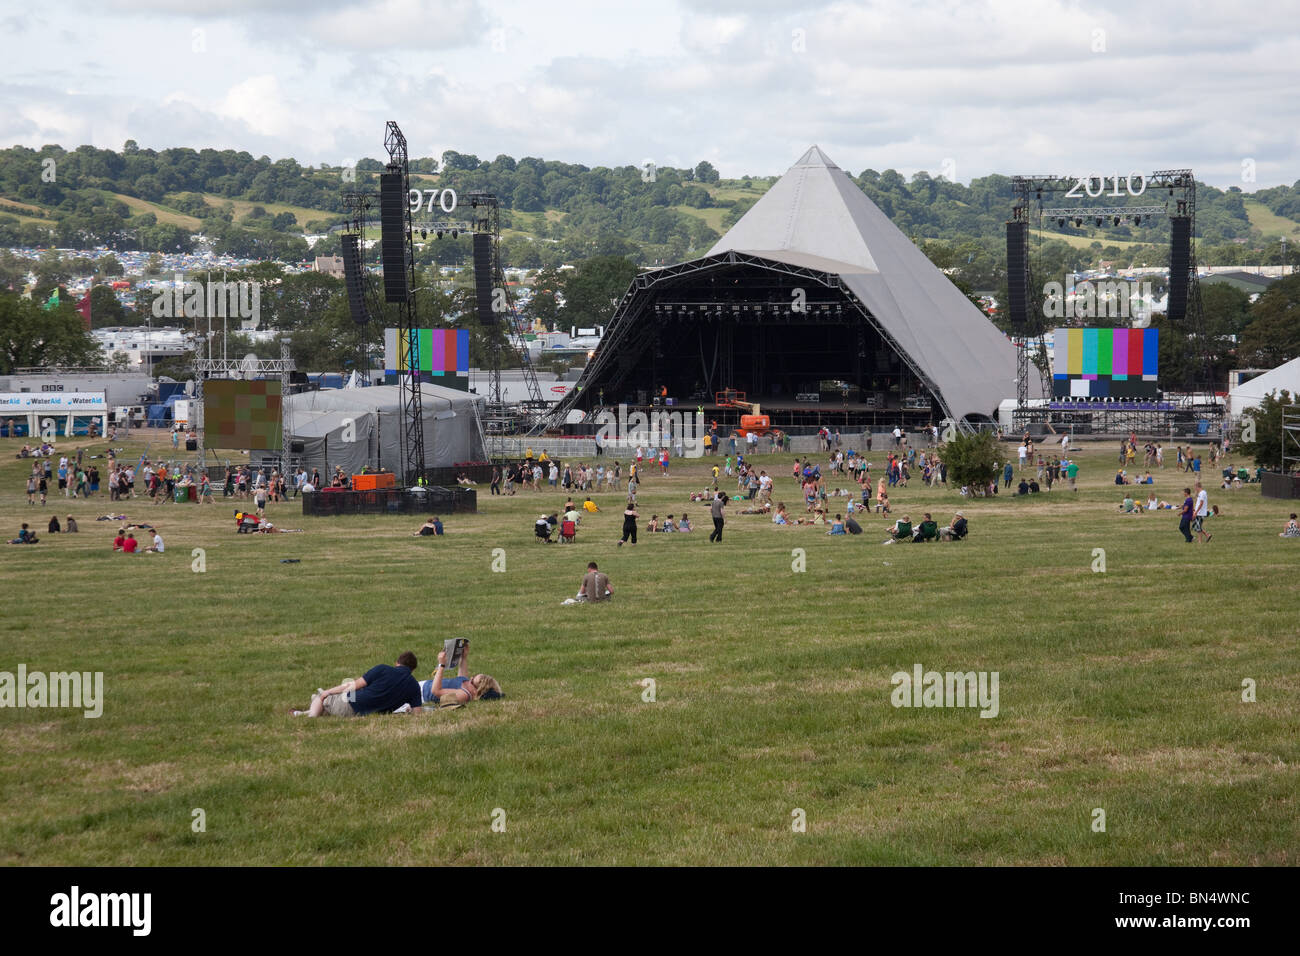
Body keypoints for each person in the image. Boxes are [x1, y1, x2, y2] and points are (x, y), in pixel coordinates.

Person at [292, 651, 424, 717]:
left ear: (397, 663)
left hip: (352, 704)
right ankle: (300, 714)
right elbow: (417, 713)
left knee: (321, 697)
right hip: (368, 714)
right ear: (412, 670)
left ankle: (310, 718)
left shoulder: (383, 669)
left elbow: (352, 685)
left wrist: (328, 691)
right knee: (327, 708)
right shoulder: (414, 687)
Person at [417, 646, 503, 707]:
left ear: (476, 692)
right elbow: (461, 679)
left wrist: (441, 665)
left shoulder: (463, 695)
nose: (470, 678)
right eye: (473, 676)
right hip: (422, 686)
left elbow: (436, 691)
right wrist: (464, 657)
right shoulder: (467, 686)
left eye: (472, 681)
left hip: (420, 694)